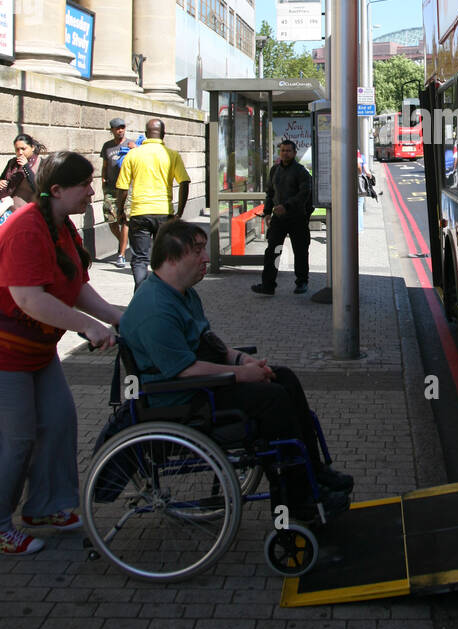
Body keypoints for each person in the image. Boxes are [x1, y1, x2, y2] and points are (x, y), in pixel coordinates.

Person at [119, 220, 352, 518]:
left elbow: (209, 343)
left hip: (200, 387)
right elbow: (184, 370)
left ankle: (314, 472)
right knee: (273, 400)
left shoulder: (184, 293)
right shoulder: (154, 309)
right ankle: (299, 499)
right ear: (172, 257)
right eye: (198, 251)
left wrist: (243, 362)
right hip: (182, 400)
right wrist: (242, 375)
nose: (206, 258)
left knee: (286, 379)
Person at [0, 152, 122, 555]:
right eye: (84, 184)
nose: (92, 190)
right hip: (6, 355)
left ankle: (46, 508)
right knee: (15, 440)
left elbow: (77, 286)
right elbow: (28, 298)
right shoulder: (26, 228)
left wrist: (114, 316)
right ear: (56, 190)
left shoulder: (62, 226)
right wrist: (86, 325)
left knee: (58, 422)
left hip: (37, 351)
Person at [115, 118, 190, 288]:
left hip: (139, 213)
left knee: (140, 258)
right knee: (163, 257)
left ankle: (141, 292)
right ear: (163, 134)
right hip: (164, 212)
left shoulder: (133, 155)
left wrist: (120, 210)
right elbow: (184, 182)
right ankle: (160, 293)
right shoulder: (172, 155)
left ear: (145, 134)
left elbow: (122, 188)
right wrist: (180, 212)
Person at [251, 140, 312, 296]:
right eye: (283, 150)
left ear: (294, 153)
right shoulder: (274, 170)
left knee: (300, 251)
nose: (285, 153)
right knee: (272, 251)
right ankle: (268, 285)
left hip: (297, 218)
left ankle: (302, 282)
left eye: (288, 151)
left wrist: (287, 206)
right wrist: (267, 212)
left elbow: (304, 194)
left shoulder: (301, 172)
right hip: (279, 219)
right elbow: (270, 193)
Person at [100, 118, 133, 268]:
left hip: (126, 188)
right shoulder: (107, 146)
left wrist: (136, 149)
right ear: (112, 130)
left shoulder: (131, 145)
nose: (120, 130)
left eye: (122, 127)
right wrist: (103, 178)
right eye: (117, 128)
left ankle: (121, 254)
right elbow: (105, 164)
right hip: (111, 188)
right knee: (111, 219)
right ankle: (123, 242)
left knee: (125, 219)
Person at [0, 133, 48, 224]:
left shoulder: (42, 164)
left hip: (27, 215)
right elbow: (3, 178)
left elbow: (39, 189)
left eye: (23, 149)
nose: (20, 152)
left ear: (32, 148)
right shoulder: (12, 163)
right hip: (8, 212)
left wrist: (26, 167)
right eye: (17, 149)